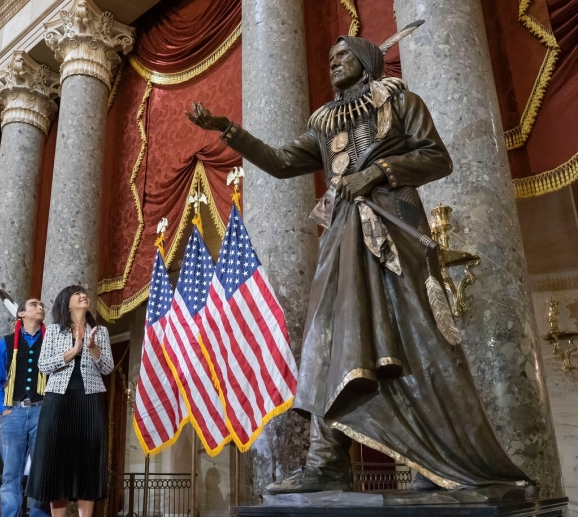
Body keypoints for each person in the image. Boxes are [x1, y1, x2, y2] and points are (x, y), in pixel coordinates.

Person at [186, 32, 529, 492]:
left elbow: (436, 157)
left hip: (395, 227)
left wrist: (378, 172)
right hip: (342, 234)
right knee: (330, 337)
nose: (334, 63)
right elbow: (284, 161)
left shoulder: (400, 100)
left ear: (367, 61)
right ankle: (326, 461)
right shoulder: (325, 123)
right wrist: (229, 130)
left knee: (412, 334)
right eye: (329, 58)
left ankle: (436, 460)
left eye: (343, 55)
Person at [28, 286, 113, 517]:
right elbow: (44, 365)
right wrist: (73, 351)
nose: (84, 297)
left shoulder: (100, 332)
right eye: (78, 294)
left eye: (85, 294)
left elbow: (108, 367)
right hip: (58, 400)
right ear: (66, 303)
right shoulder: (53, 331)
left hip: (89, 399)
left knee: (87, 462)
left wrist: (92, 348)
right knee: (57, 461)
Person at [0, 298, 52, 517]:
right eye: (34, 304)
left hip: (42, 411)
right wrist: (3, 409)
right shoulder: (5, 342)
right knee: (10, 474)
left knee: (40, 472)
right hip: (14, 412)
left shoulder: (51, 340)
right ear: (21, 313)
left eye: (42, 304)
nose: (40, 307)